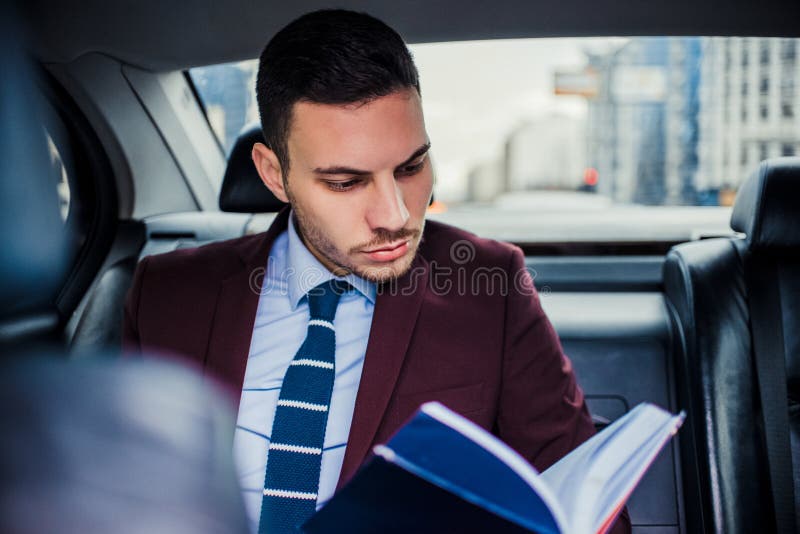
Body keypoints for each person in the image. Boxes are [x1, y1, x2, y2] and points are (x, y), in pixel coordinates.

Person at [123, 9, 630, 534]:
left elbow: (590, 511)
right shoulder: (166, 295)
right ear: (275, 174)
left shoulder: (493, 287)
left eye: (411, 168)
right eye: (346, 182)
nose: (396, 216)